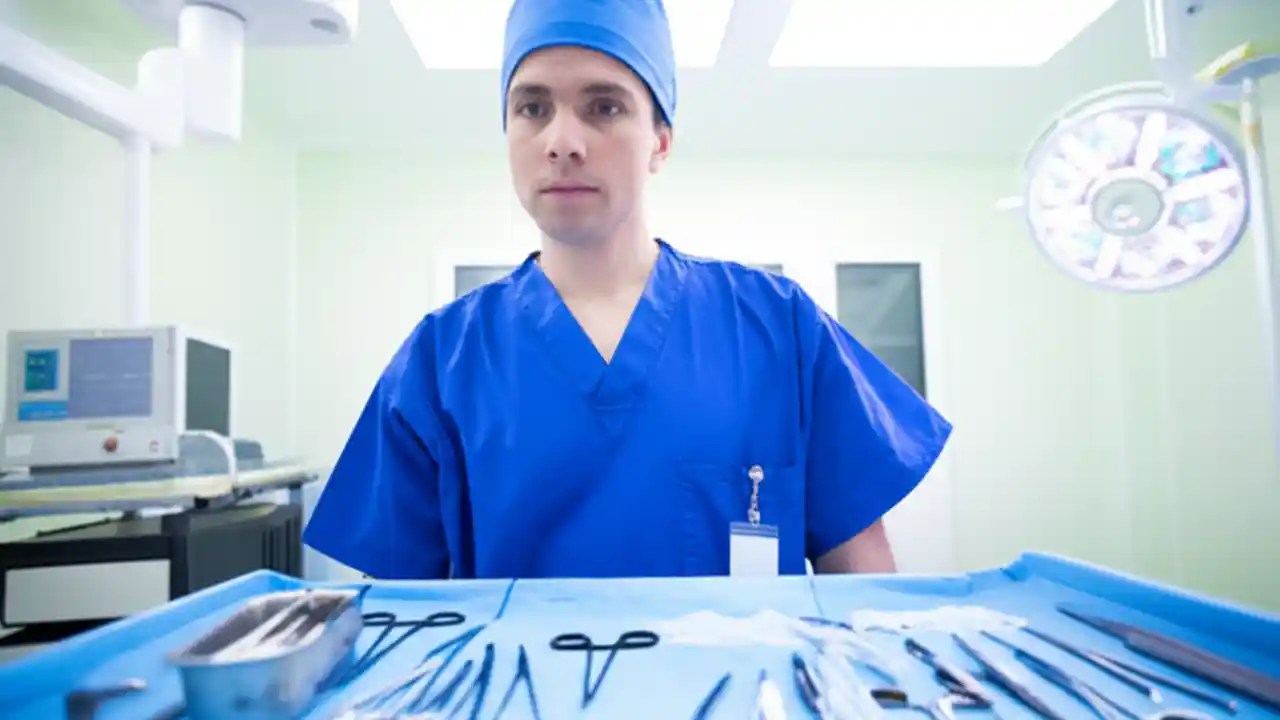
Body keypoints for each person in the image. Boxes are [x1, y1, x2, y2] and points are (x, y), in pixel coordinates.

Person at [302, 0, 952, 580]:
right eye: (532, 108)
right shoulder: (441, 360)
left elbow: (868, 591)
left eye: (603, 106)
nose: (561, 141)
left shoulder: (780, 327)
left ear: (660, 142)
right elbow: (398, 621)